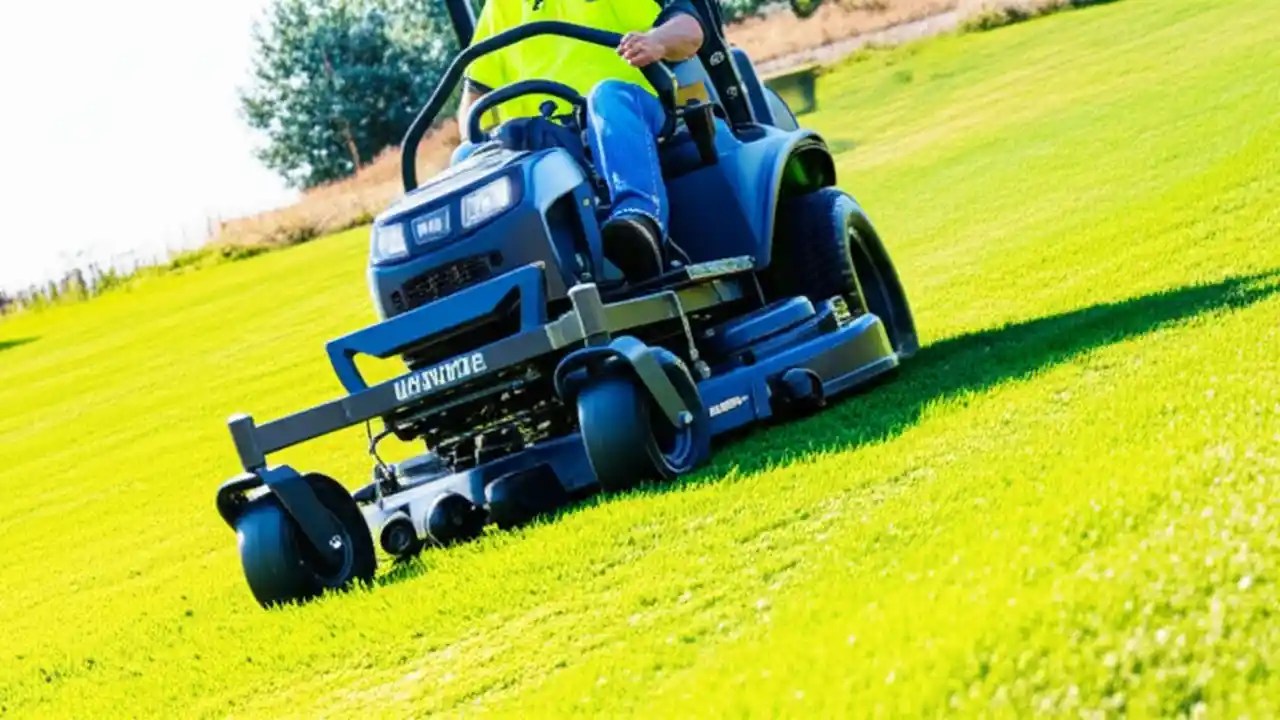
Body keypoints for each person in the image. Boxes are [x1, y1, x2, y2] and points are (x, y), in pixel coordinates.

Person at [457, 0, 706, 280]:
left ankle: (639, 223)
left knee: (607, 96)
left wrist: (656, 41)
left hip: (632, 114)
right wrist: (476, 141)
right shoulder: (501, 8)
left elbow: (690, 29)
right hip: (549, 144)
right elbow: (474, 98)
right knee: (466, 154)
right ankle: (478, 272)